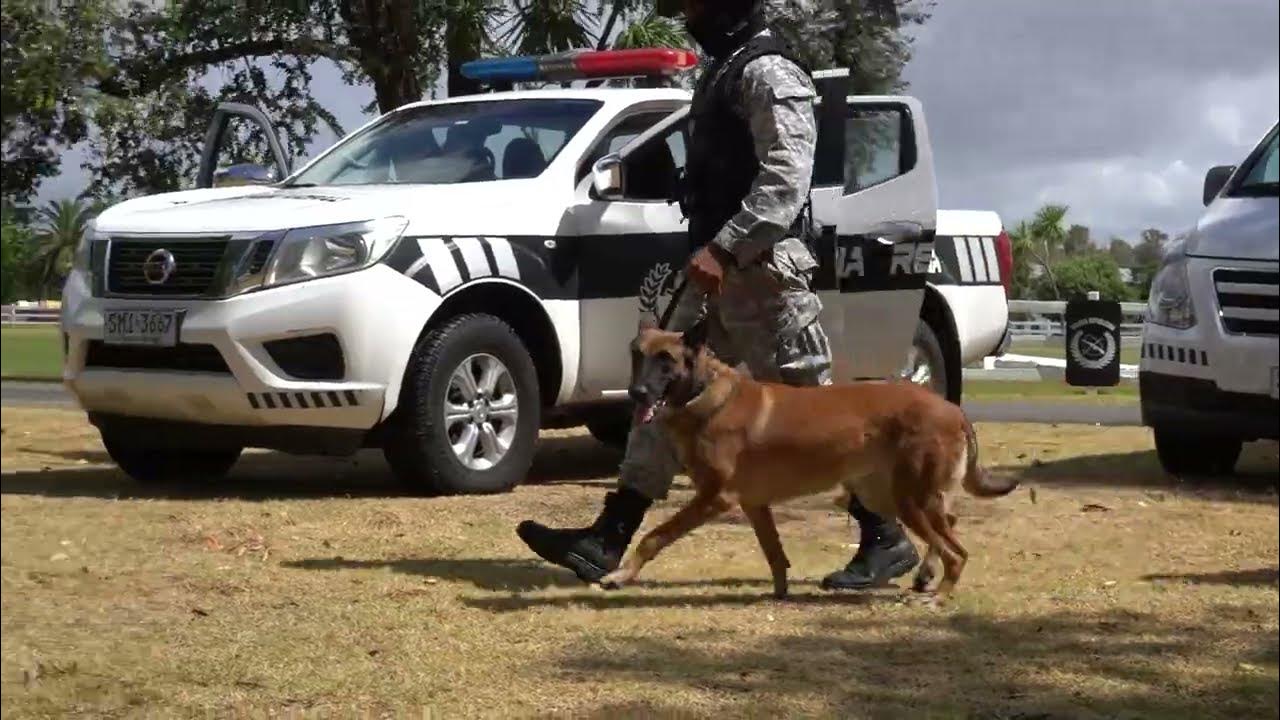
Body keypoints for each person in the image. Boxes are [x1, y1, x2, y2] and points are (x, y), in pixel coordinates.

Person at [515, 0, 920, 592]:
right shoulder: (725, 68)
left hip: (762, 275)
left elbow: (786, 175)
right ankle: (608, 539)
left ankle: (885, 538)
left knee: (816, 414)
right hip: (715, 273)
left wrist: (727, 248)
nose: (684, 10)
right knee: (663, 397)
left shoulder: (769, 71)